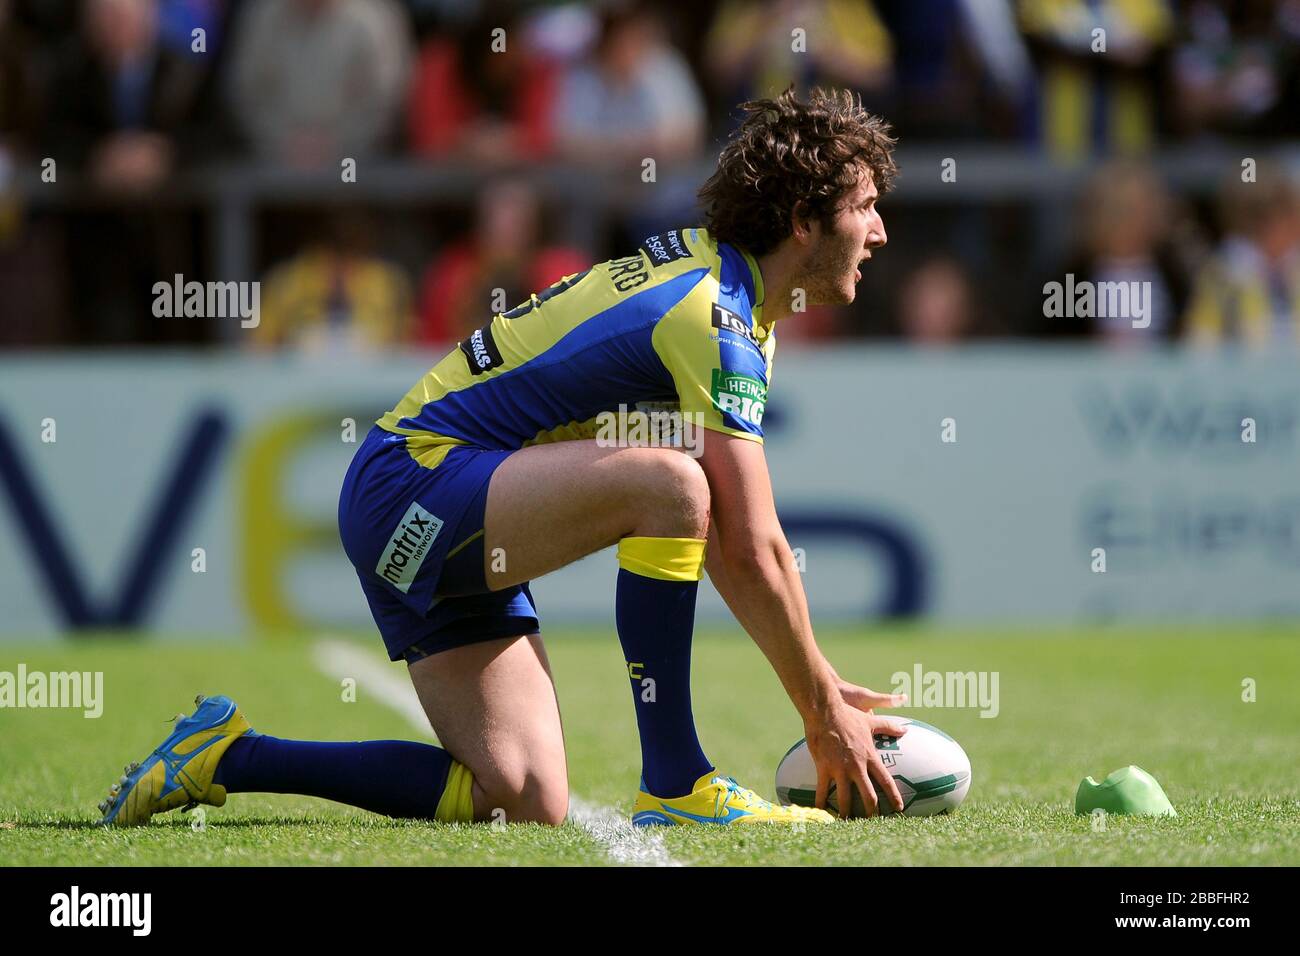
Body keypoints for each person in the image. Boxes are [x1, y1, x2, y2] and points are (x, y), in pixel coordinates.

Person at [98, 87, 909, 829]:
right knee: (667, 483)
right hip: (414, 484)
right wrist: (819, 711)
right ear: (804, 217)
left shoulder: (732, 303)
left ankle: (225, 754)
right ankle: (677, 785)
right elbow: (753, 543)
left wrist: (822, 689)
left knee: (523, 796)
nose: (878, 230)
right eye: (866, 207)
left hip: (446, 497)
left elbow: (734, 540)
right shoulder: (711, 315)